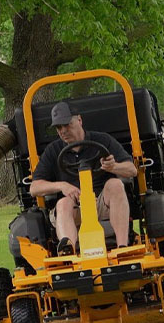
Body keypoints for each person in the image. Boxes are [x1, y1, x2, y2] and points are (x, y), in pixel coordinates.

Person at [29, 101, 137, 254]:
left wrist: (114, 167)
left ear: (79, 120)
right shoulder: (53, 150)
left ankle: (122, 248)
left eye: (67, 125)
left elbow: (132, 170)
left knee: (115, 184)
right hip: (74, 207)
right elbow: (34, 188)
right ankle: (69, 251)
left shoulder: (103, 140)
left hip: (101, 203)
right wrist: (62, 186)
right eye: (58, 128)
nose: (63, 131)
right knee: (63, 203)